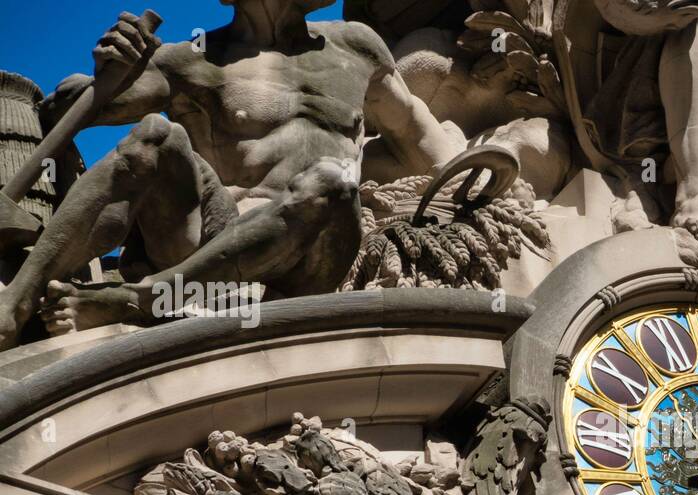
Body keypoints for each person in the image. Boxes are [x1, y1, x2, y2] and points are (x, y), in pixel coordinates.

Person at [0, 1, 467, 349]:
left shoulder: (356, 46)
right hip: (209, 238)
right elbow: (72, 110)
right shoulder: (191, 59)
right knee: (156, 134)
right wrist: (111, 69)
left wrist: (484, 169)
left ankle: (139, 299)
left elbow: (418, 134)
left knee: (330, 180)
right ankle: (15, 302)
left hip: (312, 258)